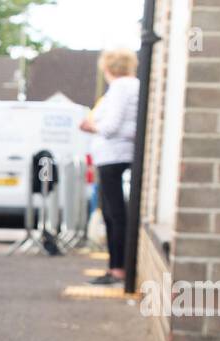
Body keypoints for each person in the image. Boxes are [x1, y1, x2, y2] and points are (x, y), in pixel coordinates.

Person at [80, 49, 139, 285]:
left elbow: (111, 126)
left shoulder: (120, 88)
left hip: (113, 157)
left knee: (114, 215)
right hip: (118, 156)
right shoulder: (133, 86)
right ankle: (118, 267)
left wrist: (91, 126)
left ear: (107, 68)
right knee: (116, 214)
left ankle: (117, 269)